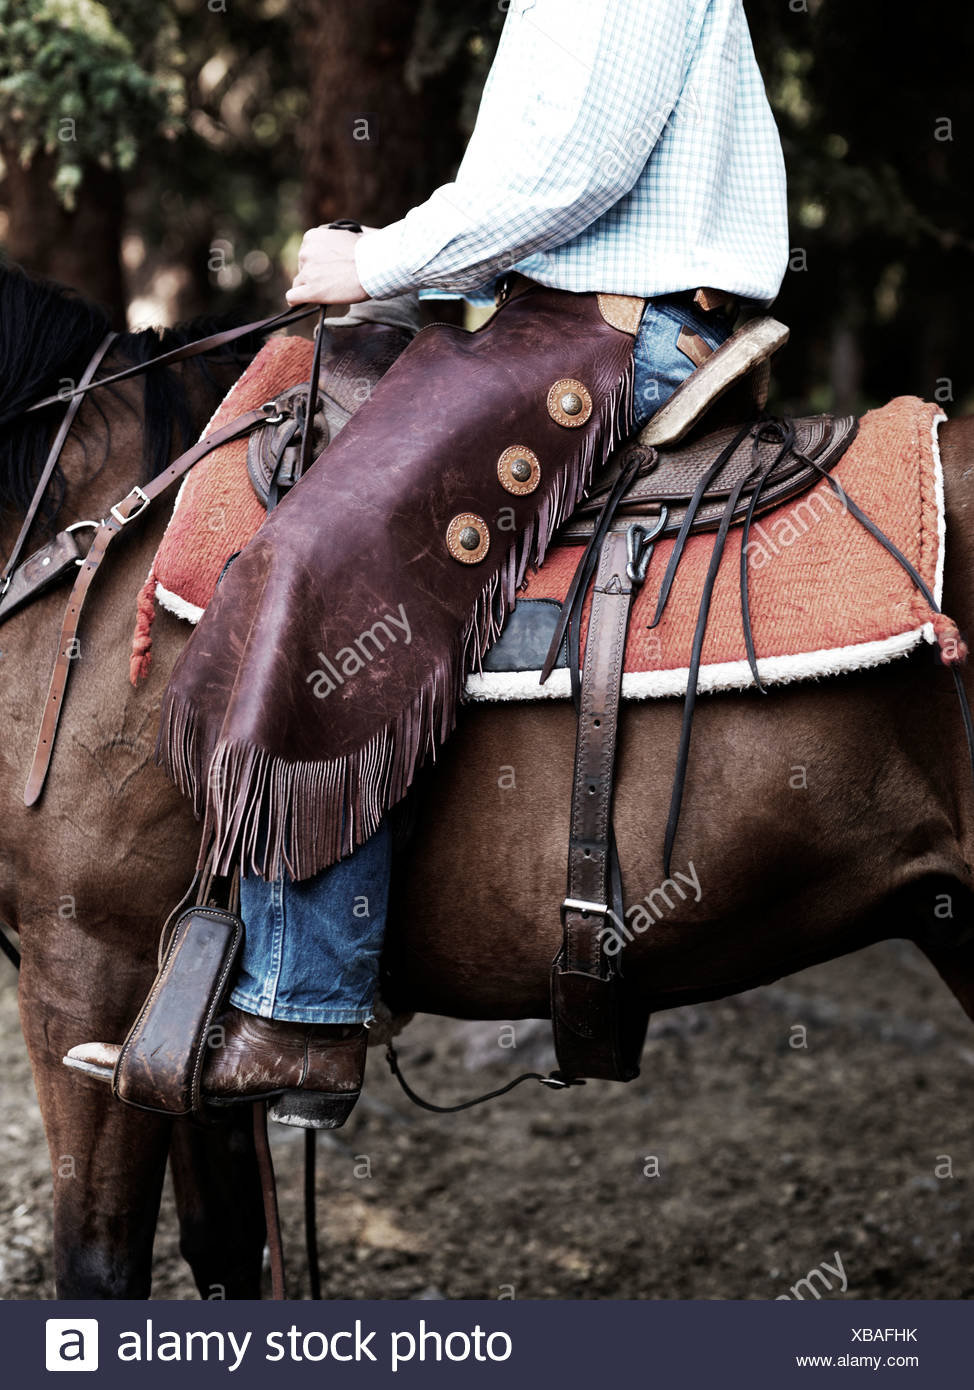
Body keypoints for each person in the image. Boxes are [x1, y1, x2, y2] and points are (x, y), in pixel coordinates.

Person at [69, 0, 788, 1125]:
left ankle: (300, 1012)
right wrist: (406, 280)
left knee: (318, 558)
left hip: (614, 326)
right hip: (551, 311)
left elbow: (568, 177)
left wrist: (378, 258)